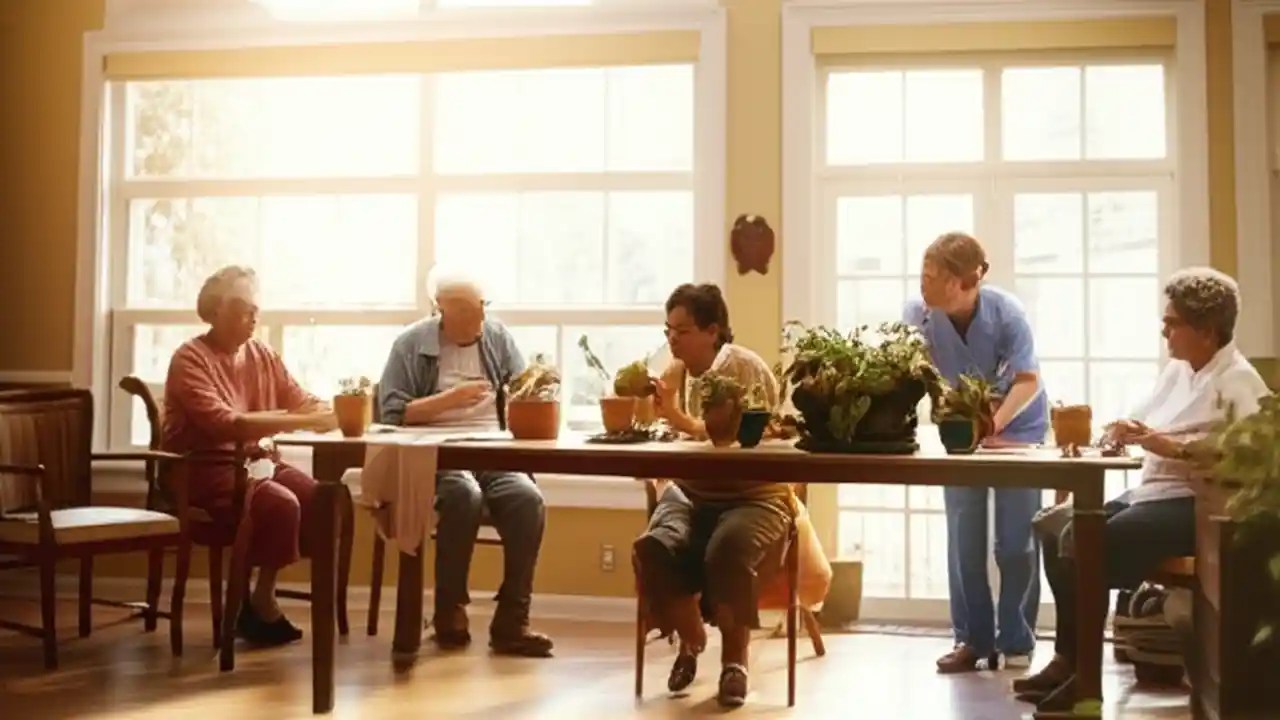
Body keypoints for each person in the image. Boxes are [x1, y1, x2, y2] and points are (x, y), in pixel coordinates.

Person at [1015, 267, 1270, 712]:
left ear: (1207, 331)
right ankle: (1067, 659)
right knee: (1052, 525)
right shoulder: (1178, 370)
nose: (1164, 332)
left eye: (1172, 324)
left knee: (1084, 540)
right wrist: (1126, 430)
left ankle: (1085, 684)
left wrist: (1168, 445)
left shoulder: (1239, 381)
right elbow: (1147, 421)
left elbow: (1251, 458)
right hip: (1154, 492)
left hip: (1193, 504)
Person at [378, 268, 552, 657]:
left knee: (527, 499)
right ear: (442, 310)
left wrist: (537, 386)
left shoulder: (497, 338)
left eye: (483, 308)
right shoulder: (410, 344)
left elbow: (528, 389)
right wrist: (451, 398)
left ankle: (512, 619)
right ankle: (450, 610)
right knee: (463, 495)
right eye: (471, 312)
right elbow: (391, 412)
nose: (481, 320)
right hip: (435, 455)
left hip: (494, 450)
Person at [632, 282, 791, 707]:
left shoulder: (742, 368)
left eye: (681, 331)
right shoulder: (675, 372)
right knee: (654, 545)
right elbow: (666, 435)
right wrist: (655, 415)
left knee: (728, 547)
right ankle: (693, 637)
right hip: (692, 489)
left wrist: (678, 418)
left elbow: (732, 438)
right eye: (668, 329)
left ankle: (734, 662)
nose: (671, 339)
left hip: (754, 493)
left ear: (713, 330)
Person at [162, 265, 337, 646]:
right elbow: (228, 423)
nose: (253, 316)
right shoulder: (189, 359)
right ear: (213, 310)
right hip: (205, 469)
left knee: (320, 499)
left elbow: (300, 399)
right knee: (281, 504)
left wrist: (337, 411)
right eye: (243, 308)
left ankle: (259, 597)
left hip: (256, 463)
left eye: (256, 308)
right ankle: (253, 604)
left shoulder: (262, 354)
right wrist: (297, 422)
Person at [903, 232, 1048, 673]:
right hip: (959, 432)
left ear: (961, 282)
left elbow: (1027, 379)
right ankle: (971, 640)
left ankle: (1017, 639)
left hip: (1017, 427)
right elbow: (911, 373)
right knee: (965, 539)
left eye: (931, 277)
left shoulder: (1008, 314)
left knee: (1016, 543)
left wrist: (994, 423)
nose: (922, 284)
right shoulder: (918, 313)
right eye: (922, 275)